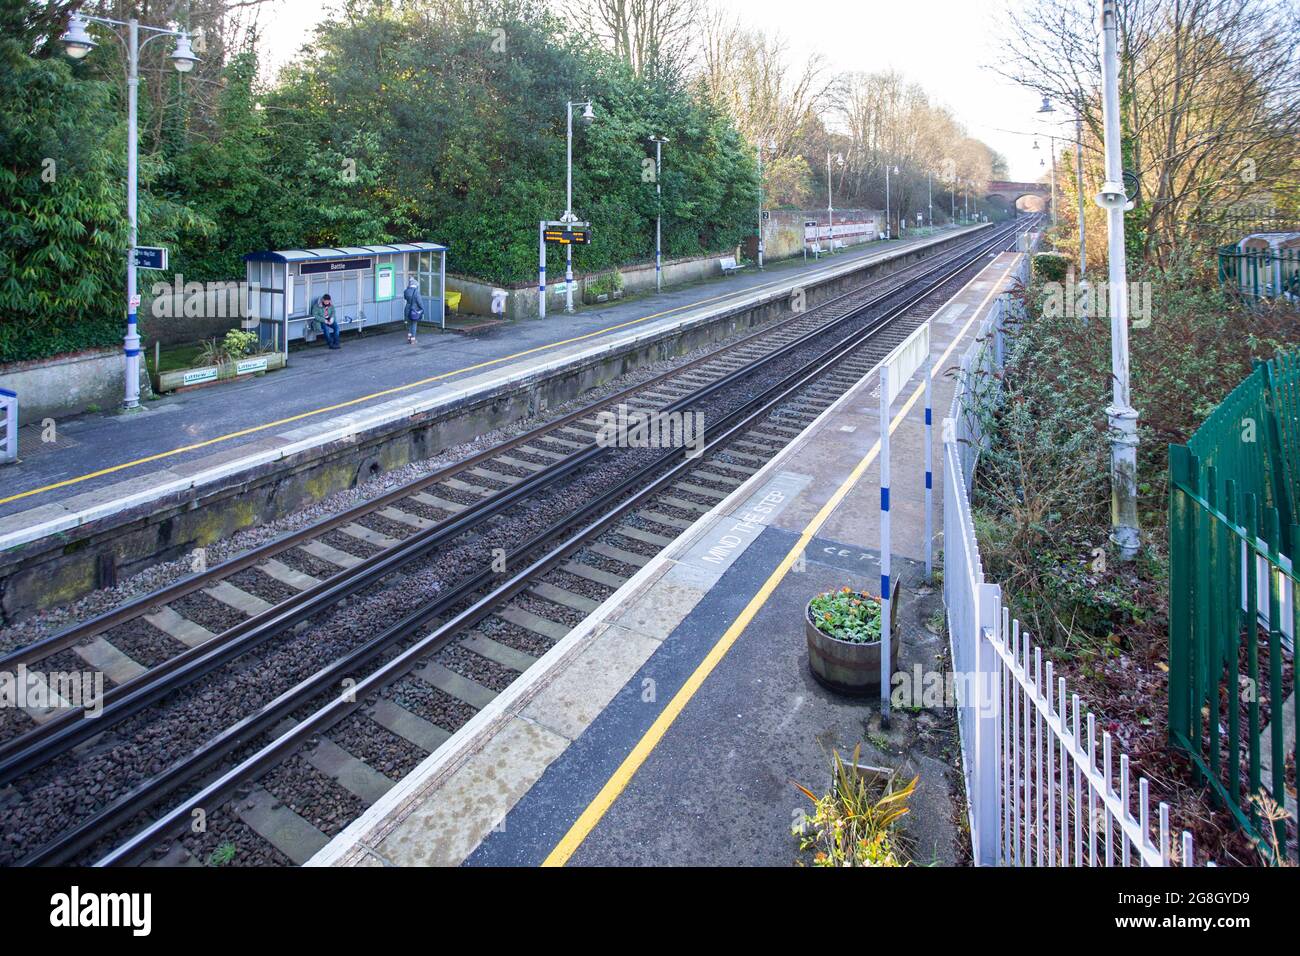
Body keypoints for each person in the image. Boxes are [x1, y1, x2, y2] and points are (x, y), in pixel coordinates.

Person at [403, 278, 425, 345]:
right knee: (414, 324)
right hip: (414, 310)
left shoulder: (406, 291)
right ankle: (413, 339)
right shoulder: (416, 292)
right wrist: (423, 309)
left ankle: (409, 337)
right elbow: (419, 302)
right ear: (415, 285)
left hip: (407, 308)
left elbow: (405, 298)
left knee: (409, 323)